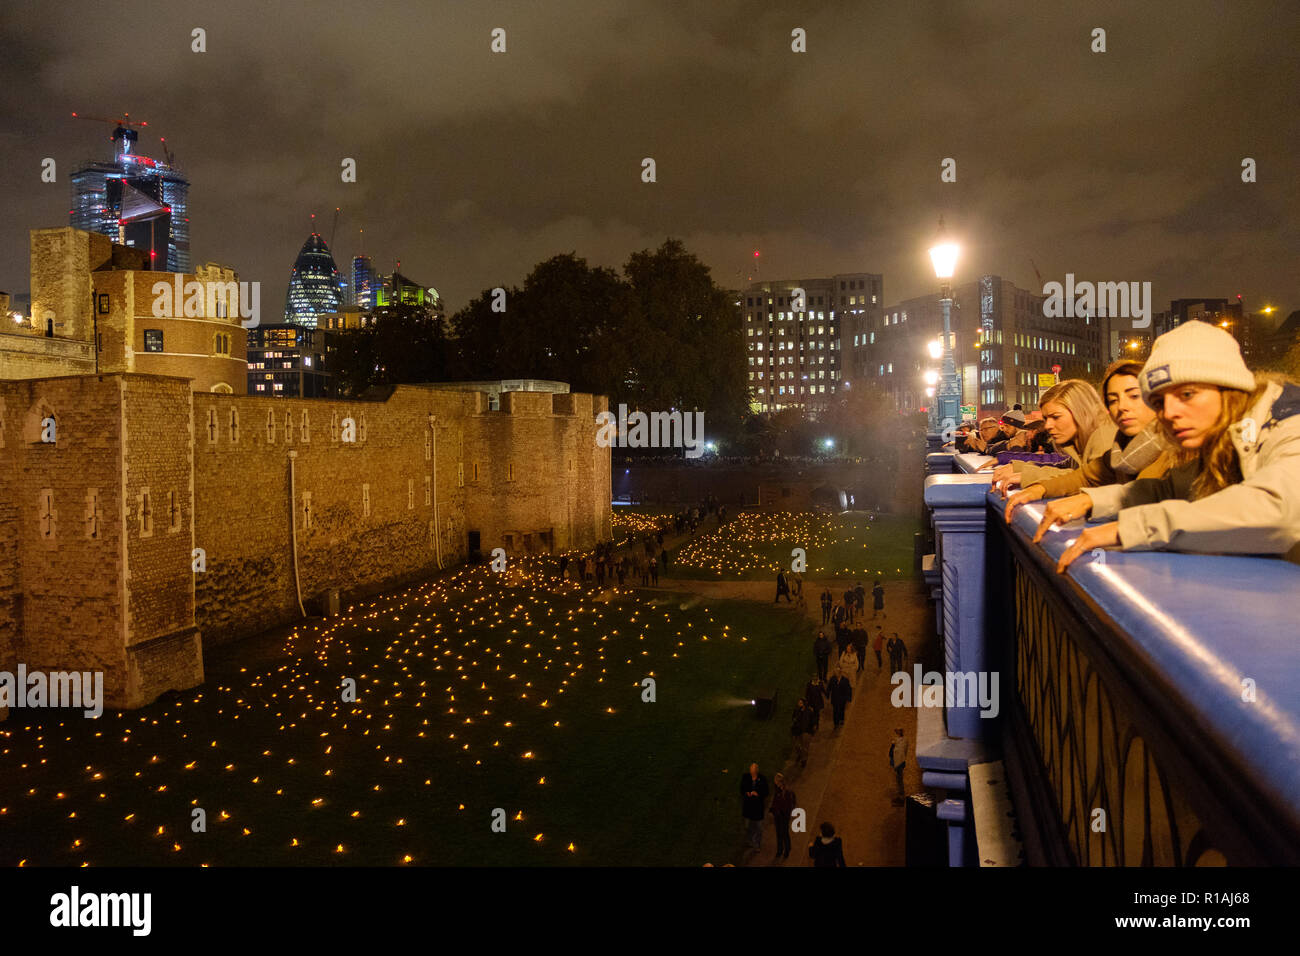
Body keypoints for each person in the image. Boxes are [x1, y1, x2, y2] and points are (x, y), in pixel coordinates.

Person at [1042, 322, 1300, 571]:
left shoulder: (1289, 422)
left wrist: (1133, 528)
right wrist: (1090, 500)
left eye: (1186, 394)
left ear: (1229, 388)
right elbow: (1171, 488)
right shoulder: (1226, 438)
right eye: (1158, 402)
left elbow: (1282, 510)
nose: (1169, 412)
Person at [1004, 360, 1173, 521]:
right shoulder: (1121, 447)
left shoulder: (1178, 447)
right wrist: (1040, 488)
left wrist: (1090, 501)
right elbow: (1085, 476)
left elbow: (1147, 496)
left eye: (1134, 396)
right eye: (1113, 400)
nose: (1122, 407)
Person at [987, 378, 1109, 492]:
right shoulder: (1081, 443)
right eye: (1046, 418)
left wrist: (1032, 479)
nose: (1047, 425)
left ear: (1082, 412)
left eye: (1056, 417)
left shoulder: (1104, 438)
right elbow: (1065, 469)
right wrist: (1019, 468)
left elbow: (1091, 481)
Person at [740, 763, 769, 850]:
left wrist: (758, 794)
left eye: (753, 772)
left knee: (758, 828)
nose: (752, 773)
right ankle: (750, 841)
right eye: (751, 771)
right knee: (748, 826)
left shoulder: (762, 779)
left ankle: (757, 844)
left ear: (756, 771)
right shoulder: (746, 777)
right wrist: (746, 793)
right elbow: (742, 789)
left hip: (757, 808)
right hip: (748, 807)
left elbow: (766, 792)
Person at [770, 773, 796, 861]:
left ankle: (787, 849)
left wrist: (780, 811)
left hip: (783, 817)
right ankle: (780, 850)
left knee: (784, 833)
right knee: (779, 834)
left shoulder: (787, 792)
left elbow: (788, 806)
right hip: (778, 816)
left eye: (775, 781)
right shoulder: (777, 790)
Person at [889, 728, 909, 805]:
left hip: (899, 763)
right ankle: (900, 795)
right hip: (900, 762)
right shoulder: (903, 740)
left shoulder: (898, 742)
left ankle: (901, 797)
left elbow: (895, 752)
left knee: (899, 780)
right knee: (898, 779)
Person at [790, 699, 812, 768]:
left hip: (805, 731)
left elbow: (811, 721)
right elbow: (793, 717)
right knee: (796, 745)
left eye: (801, 703)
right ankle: (799, 754)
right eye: (798, 702)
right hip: (797, 730)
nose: (799, 704)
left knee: (804, 747)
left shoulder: (808, 712)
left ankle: (804, 759)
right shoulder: (797, 711)